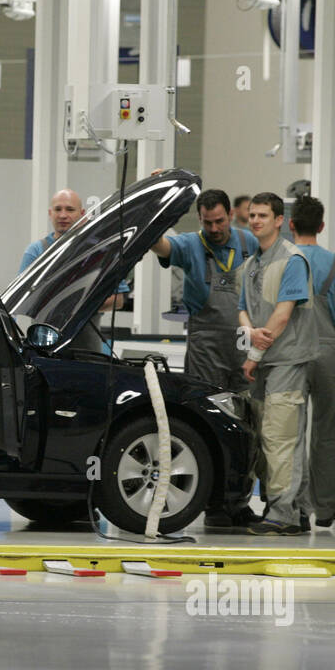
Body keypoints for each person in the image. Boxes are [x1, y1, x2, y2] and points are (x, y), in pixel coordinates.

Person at [149, 187, 257, 528]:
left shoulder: (248, 243)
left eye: (219, 221)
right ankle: (211, 501)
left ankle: (239, 501)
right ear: (200, 219)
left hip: (243, 343)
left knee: (247, 423)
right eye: (207, 222)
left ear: (230, 215)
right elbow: (160, 245)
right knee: (208, 421)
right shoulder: (188, 244)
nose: (214, 228)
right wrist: (157, 202)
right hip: (205, 343)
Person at [238, 192, 317, 535]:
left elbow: (282, 316)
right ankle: (292, 509)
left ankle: (283, 513)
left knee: (281, 436)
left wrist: (254, 353)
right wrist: (248, 331)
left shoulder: (293, 260)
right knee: (267, 437)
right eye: (252, 215)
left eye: (263, 215)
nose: (256, 220)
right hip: (265, 362)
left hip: (287, 361)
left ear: (279, 220)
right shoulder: (251, 263)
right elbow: (242, 307)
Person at [287, 194, 335, 528]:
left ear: (290, 225)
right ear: (322, 225)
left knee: (293, 430)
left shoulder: (284, 260)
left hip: (292, 350)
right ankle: (327, 509)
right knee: (327, 430)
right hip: (329, 350)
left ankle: (297, 506)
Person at [20, 188, 126, 311]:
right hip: (44, 329)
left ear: (82, 214)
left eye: (70, 210)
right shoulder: (36, 251)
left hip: (86, 329)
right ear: (50, 213)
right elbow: (21, 299)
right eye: (58, 209)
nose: (63, 215)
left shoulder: (100, 250)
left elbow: (118, 300)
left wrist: (75, 307)